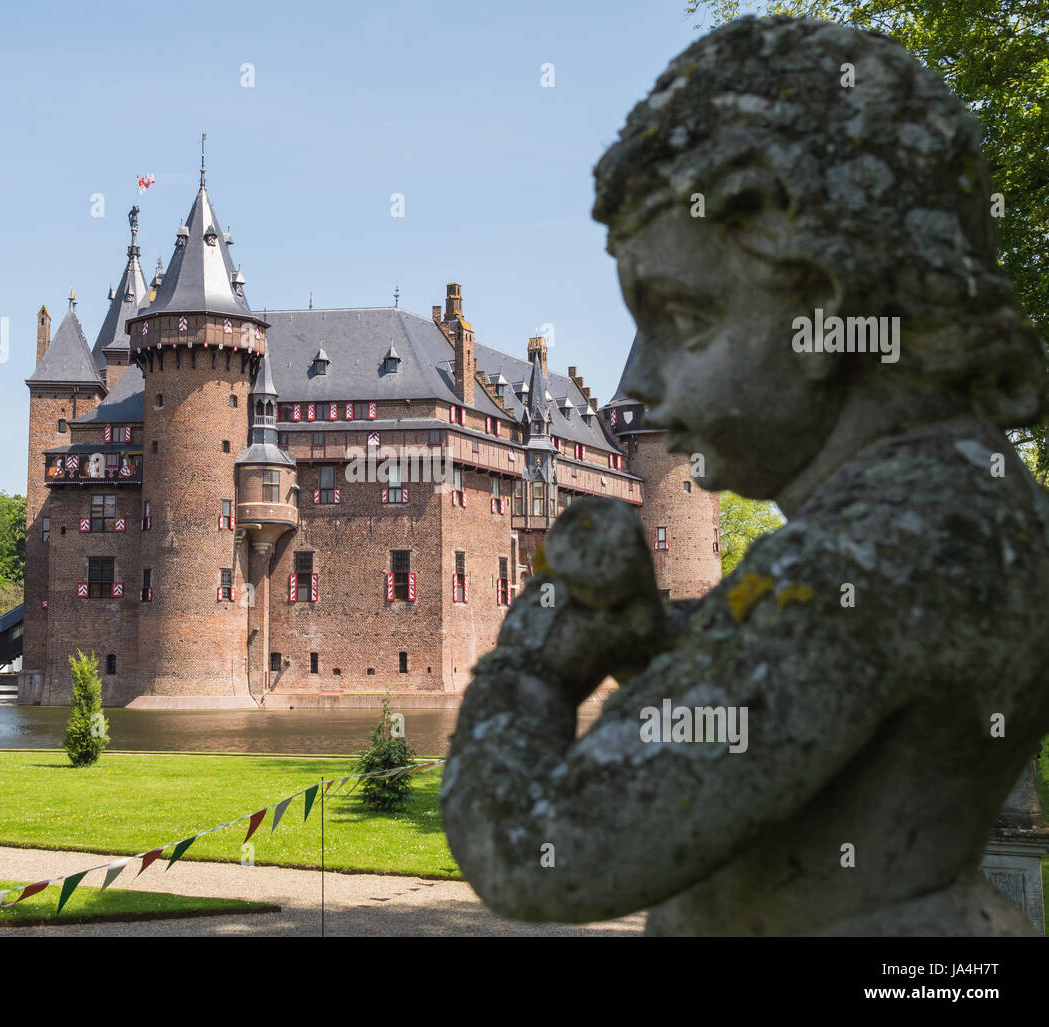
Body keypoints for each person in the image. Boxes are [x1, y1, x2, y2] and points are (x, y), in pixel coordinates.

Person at [441, 15, 1049, 935]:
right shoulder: (964, 514)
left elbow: (540, 851)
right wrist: (661, 633)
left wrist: (530, 658)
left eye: (681, 318)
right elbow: (812, 686)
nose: (640, 383)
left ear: (824, 309)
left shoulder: (885, 553)